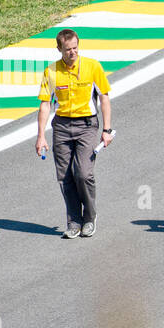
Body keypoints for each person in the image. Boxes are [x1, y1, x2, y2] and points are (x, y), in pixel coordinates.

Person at [35, 29, 113, 238]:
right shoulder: (51, 71)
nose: (72, 52)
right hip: (61, 127)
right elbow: (45, 105)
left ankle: (89, 218)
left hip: (87, 125)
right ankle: (73, 222)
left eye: (75, 48)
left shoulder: (92, 66)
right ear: (59, 49)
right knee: (65, 177)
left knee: (83, 173)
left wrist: (106, 130)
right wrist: (41, 135)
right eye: (68, 49)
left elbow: (104, 98)